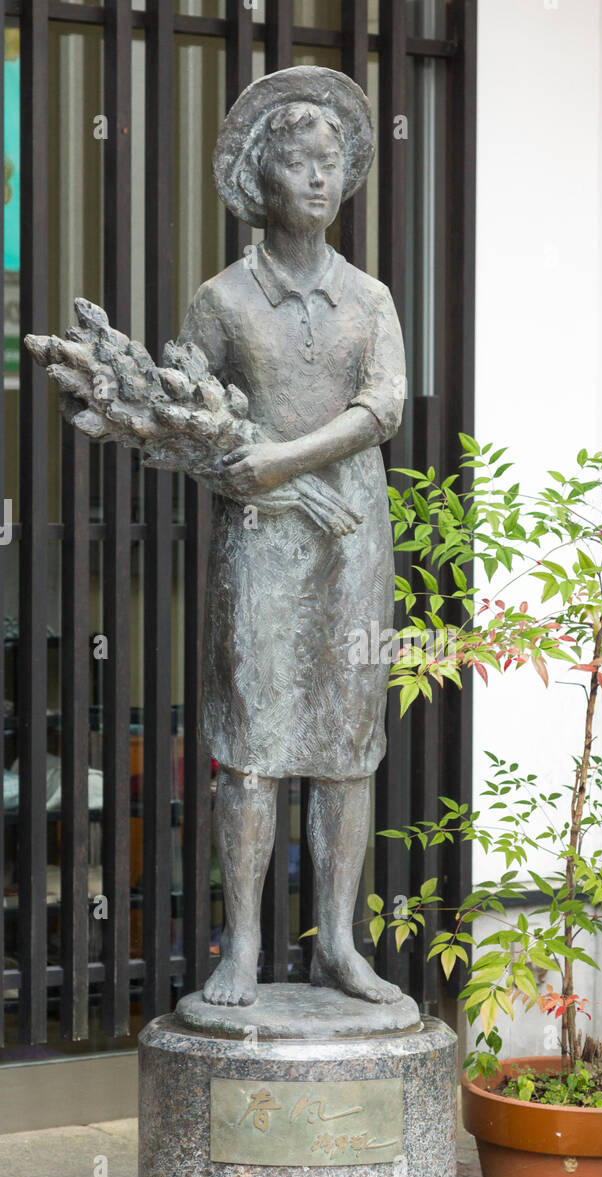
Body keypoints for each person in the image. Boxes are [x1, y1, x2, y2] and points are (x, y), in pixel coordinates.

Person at [177, 68, 406, 1007]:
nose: (319, 179)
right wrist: (253, 470)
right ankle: (241, 944)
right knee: (256, 738)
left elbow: (383, 406)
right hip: (260, 542)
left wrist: (287, 460)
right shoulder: (224, 300)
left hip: (351, 536)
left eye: (333, 163)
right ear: (256, 178)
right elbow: (187, 427)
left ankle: (337, 943)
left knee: (347, 739)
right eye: (299, 163)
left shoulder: (370, 298)